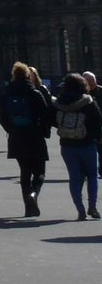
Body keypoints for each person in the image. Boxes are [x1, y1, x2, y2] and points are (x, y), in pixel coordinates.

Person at [0, 61, 54, 217]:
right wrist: (44, 132)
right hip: (34, 135)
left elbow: (3, 118)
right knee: (40, 172)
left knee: (24, 171)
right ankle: (34, 194)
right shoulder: (34, 93)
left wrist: (11, 129)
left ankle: (28, 208)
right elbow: (45, 115)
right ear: (27, 76)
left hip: (16, 137)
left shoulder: (7, 94)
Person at [51, 72, 102, 221]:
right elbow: (98, 120)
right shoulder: (88, 101)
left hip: (67, 144)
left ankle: (80, 210)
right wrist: (94, 137)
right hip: (87, 144)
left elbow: (53, 120)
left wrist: (66, 128)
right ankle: (92, 206)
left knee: (74, 177)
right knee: (92, 175)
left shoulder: (60, 102)